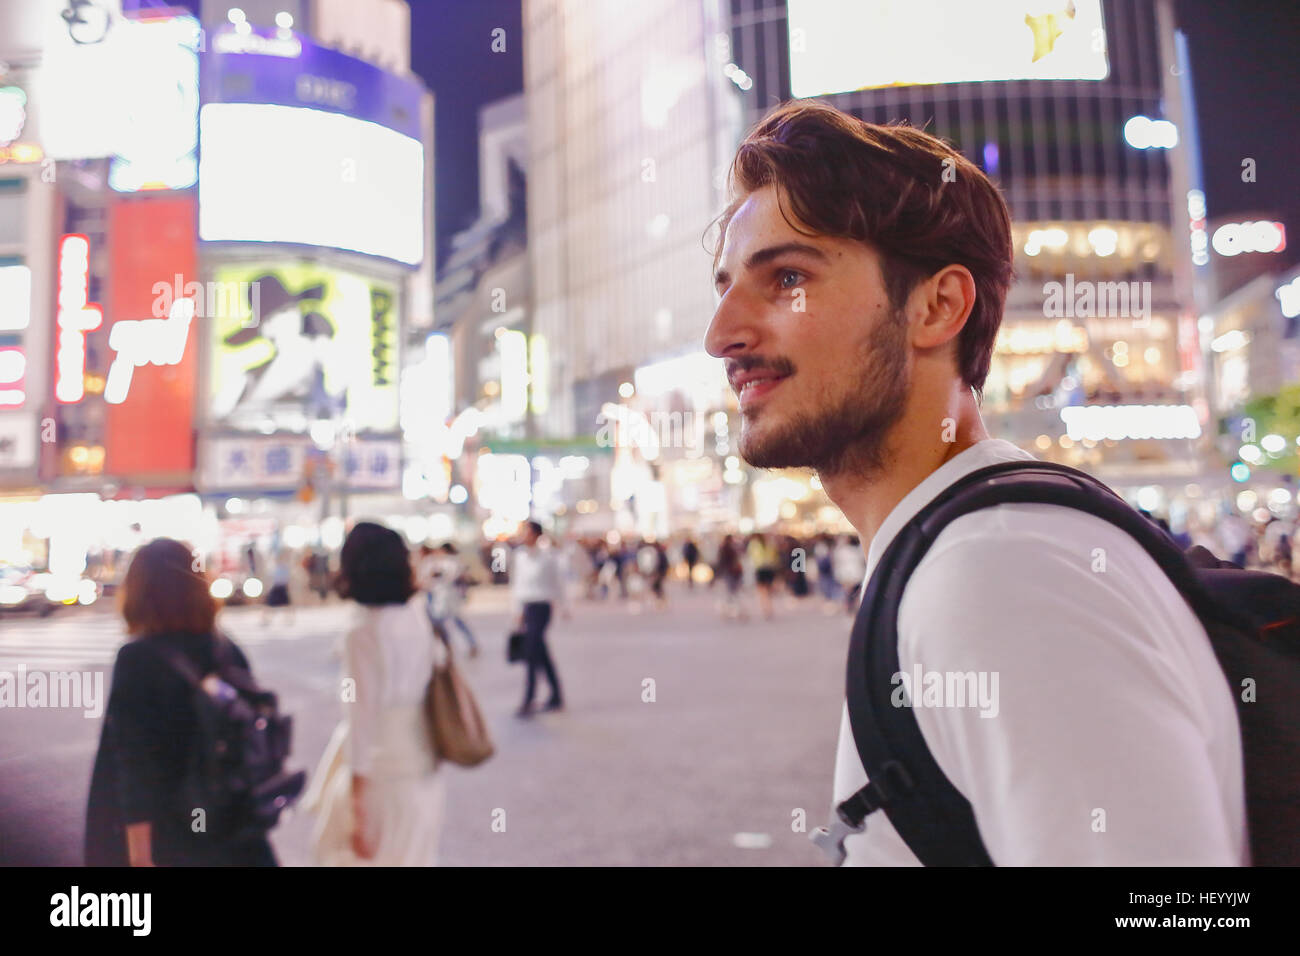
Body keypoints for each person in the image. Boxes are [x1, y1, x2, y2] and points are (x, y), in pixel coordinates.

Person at [704, 101, 1245, 865]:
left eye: (786, 277)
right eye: (724, 285)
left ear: (938, 306)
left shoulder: (1001, 574)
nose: (720, 335)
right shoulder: (973, 552)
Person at [85, 538, 278, 866]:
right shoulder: (225, 649)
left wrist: (140, 857)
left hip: (171, 833)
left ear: (138, 591)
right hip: (230, 827)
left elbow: (135, 765)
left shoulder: (137, 659)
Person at [304, 521, 447, 866]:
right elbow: (437, 666)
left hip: (381, 774)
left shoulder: (363, 632)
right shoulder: (417, 615)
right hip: (423, 765)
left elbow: (361, 717)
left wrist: (357, 805)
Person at [511, 520, 565, 717]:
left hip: (542, 607)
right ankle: (556, 695)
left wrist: (564, 606)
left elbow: (557, 583)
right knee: (540, 652)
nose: (523, 535)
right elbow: (517, 585)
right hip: (527, 607)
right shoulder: (520, 557)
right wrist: (517, 611)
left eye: (526, 531)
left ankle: (529, 698)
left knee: (532, 652)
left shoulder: (548, 557)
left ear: (535, 534)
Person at [428, 543, 478, 657]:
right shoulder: (443, 562)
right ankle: (450, 646)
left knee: (448, 622)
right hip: (443, 597)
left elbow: (448, 578)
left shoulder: (449, 562)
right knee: (451, 623)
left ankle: (454, 646)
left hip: (448, 597)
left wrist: (437, 574)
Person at [263, 549, 293, 626]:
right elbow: (271, 579)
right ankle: (266, 619)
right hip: (276, 587)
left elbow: (287, 579)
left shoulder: (285, 568)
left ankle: (289, 619)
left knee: (286, 605)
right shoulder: (275, 568)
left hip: (282, 587)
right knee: (270, 605)